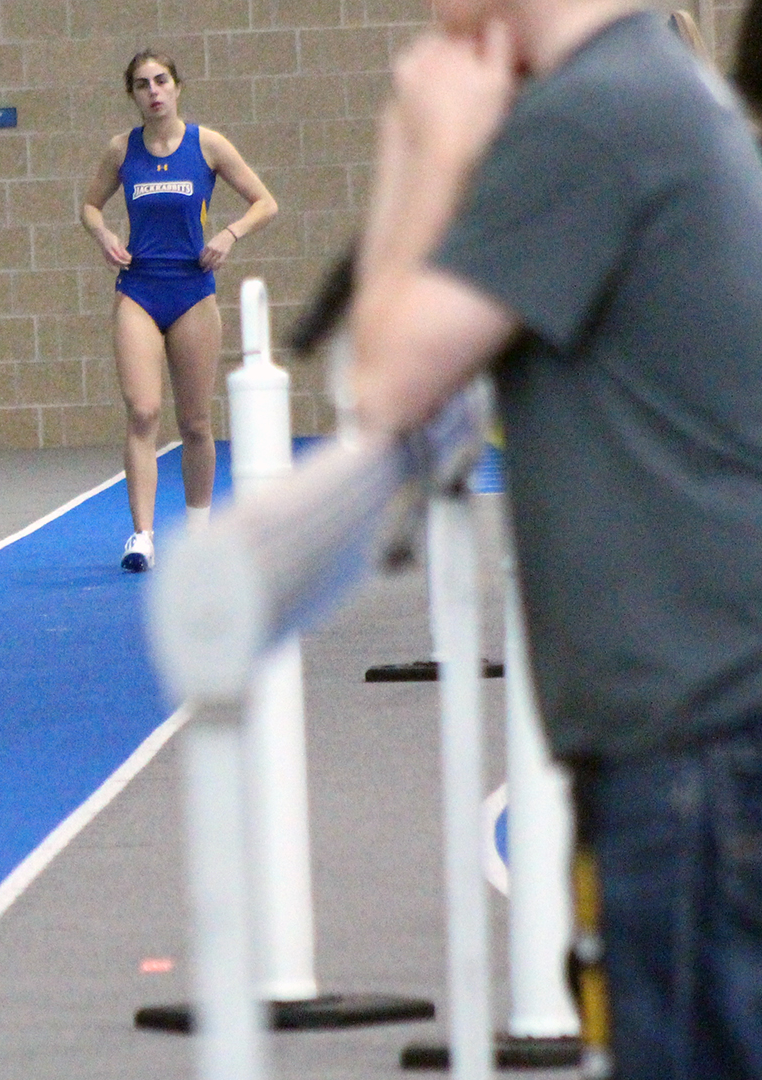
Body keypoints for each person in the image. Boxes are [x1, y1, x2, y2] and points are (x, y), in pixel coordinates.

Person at [347, 1, 762, 1075]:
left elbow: (383, 379)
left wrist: (427, 143)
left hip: (695, 740)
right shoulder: (638, 96)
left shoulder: (598, 119)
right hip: (690, 726)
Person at [79, 50, 277, 572]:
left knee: (193, 421)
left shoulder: (206, 145)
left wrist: (230, 234)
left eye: (161, 81)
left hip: (193, 291)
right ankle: (142, 534)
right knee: (143, 412)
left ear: (177, 87)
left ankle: (198, 531)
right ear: (133, 95)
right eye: (142, 85)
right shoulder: (121, 150)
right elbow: (90, 205)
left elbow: (265, 201)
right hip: (139, 289)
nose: (153, 91)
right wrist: (102, 234)